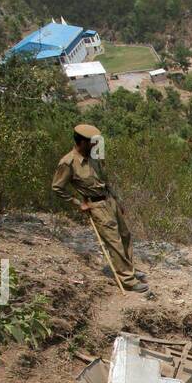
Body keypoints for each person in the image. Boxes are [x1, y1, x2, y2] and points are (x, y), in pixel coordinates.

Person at [51, 123, 152, 296]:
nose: (96, 144)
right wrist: (78, 203)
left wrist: (117, 201)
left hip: (109, 200)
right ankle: (127, 280)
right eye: (92, 142)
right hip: (96, 206)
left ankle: (130, 269)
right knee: (113, 241)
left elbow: (104, 181)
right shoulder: (68, 162)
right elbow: (57, 187)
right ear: (82, 142)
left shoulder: (93, 158)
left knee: (125, 235)